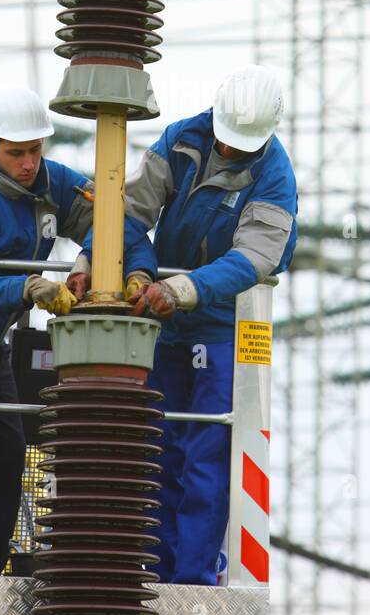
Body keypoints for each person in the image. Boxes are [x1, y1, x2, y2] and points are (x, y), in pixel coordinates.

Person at [0, 83, 155, 576]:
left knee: (8, 453)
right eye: (16, 153)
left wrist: (131, 270)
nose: (28, 164)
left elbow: (117, 226)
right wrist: (29, 288)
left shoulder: (53, 184)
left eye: (35, 150)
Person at [124, 64, 298, 585]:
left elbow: (255, 258)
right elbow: (129, 211)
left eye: (243, 147)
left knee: (206, 454)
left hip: (224, 330)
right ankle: (150, 574)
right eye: (227, 142)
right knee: (158, 448)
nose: (231, 152)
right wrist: (122, 266)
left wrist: (182, 290)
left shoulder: (274, 177)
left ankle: (193, 580)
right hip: (165, 326)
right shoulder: (181, 141)